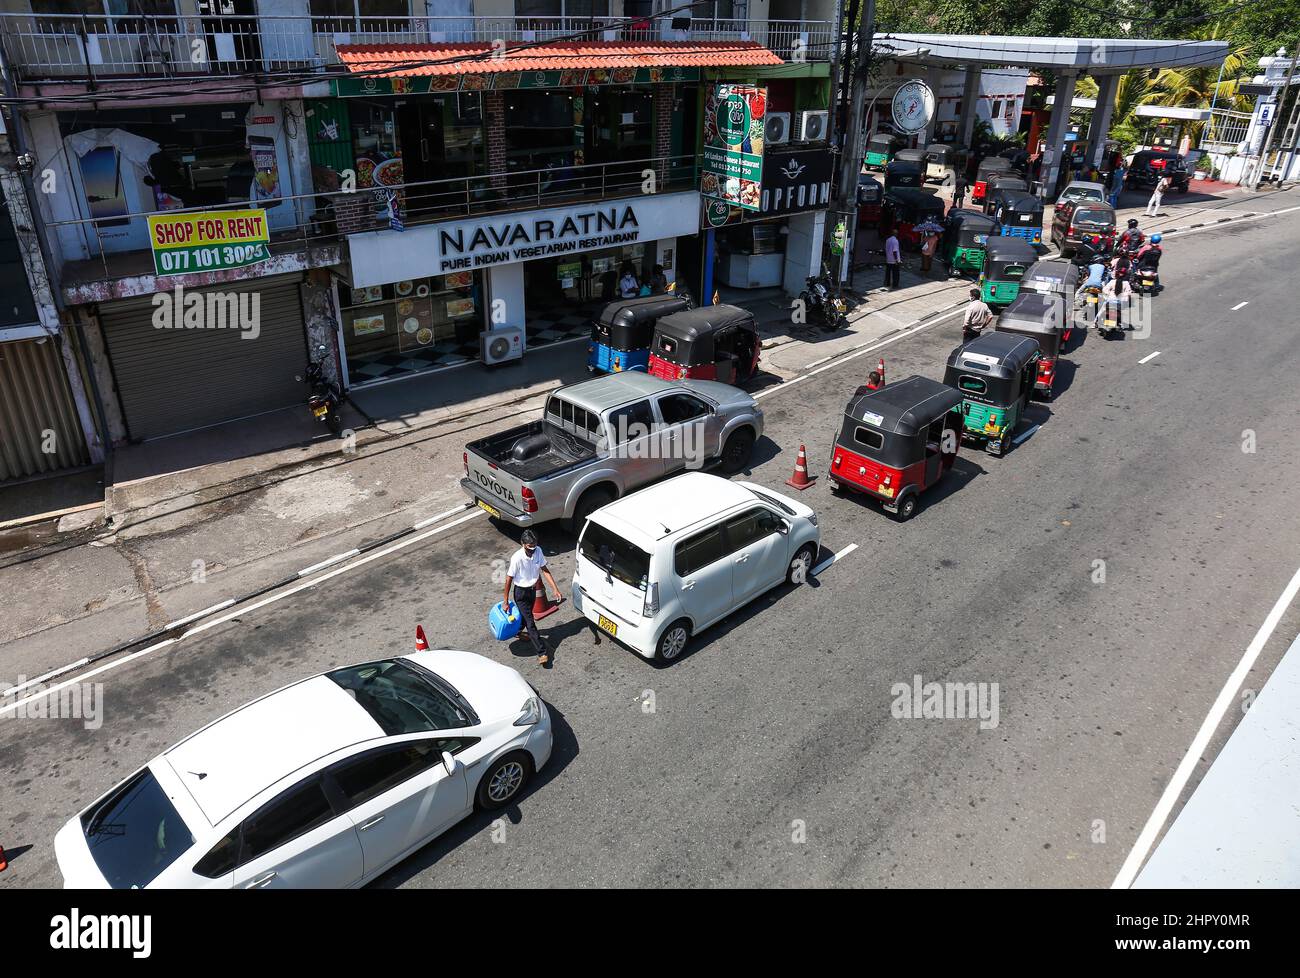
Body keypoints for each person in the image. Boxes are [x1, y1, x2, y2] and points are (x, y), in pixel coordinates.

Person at [502, 530, 563, 667]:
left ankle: (517, 631)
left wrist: (555, 589)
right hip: (520, 594)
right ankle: (542, 653)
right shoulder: (516, 558)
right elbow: (508, 579)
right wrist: (505, 601)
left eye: (534, 545)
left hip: (532, 591)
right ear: (522, 544)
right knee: (530, 622)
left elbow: (545, 570)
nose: (532, 549)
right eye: (529, 546)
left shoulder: (538, 551)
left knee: (525, 617)